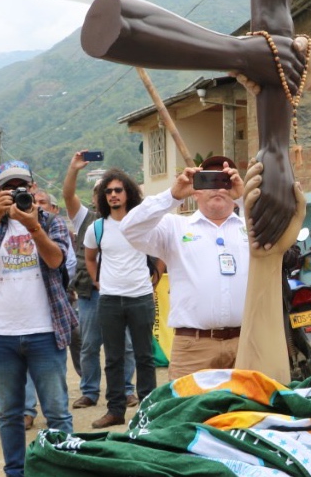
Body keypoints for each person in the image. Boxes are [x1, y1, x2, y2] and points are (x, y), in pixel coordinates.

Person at [121, 155, 249, 379]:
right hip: (194, 347)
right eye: (209, 180)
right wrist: (172, 195)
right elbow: (130, 229)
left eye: (224, 180)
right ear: (196, 190)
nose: (217, 188)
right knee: (189, 412)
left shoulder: (252, 227)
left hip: (246, 344)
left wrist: (244, 199)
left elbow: (282, 233)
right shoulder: (175, 227)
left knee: (246, 412)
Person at [0, 160, 76, 477]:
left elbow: (56, 261)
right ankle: (15, 472)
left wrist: (32, 225)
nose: (15, 193)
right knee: (10, 413)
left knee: (57, 412)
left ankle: (64, 470)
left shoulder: (51, 222)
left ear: (33, 189)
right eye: (7, 188)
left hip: (45, 331)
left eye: (20, 187)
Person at [83, 169, 159, 429]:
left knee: (145, 356)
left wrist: (156, 273)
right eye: (108, 191)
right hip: (110, 300)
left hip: (140, 297)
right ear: (104, 197)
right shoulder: (98, 227)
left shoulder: (140, 223)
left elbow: (159, 250)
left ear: (128, 193)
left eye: (118, 190)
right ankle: (115, 410)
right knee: (113, 358)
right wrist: (98, 281)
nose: (113, 195)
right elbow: (90, 258)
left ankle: (147, 409)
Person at [63, 151, 136, 410]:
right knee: (89, 345)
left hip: (121, 292)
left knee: (125, 345)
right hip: (90, 293)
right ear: (95, 198)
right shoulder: (85, 218)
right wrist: (74, 170)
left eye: (114, 191)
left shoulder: (130, 221)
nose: (108, 196)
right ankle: (90, 391)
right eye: (102, 192)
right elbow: (68, 195)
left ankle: (127, 390)